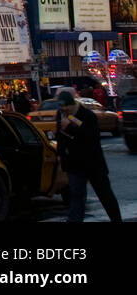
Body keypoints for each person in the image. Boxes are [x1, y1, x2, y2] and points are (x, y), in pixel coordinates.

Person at [55, 89, 122, 223]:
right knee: (77, 197)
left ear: (72, 104)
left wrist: (70, 128)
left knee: (105, 195)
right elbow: (62, 139)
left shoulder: (87, 115)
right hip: (74, 165)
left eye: (66, 106)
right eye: (61, 106)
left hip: (93, 164)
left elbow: (90, 137)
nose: (64, 109)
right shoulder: (61, 115)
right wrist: (62, 157)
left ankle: (116, 219)